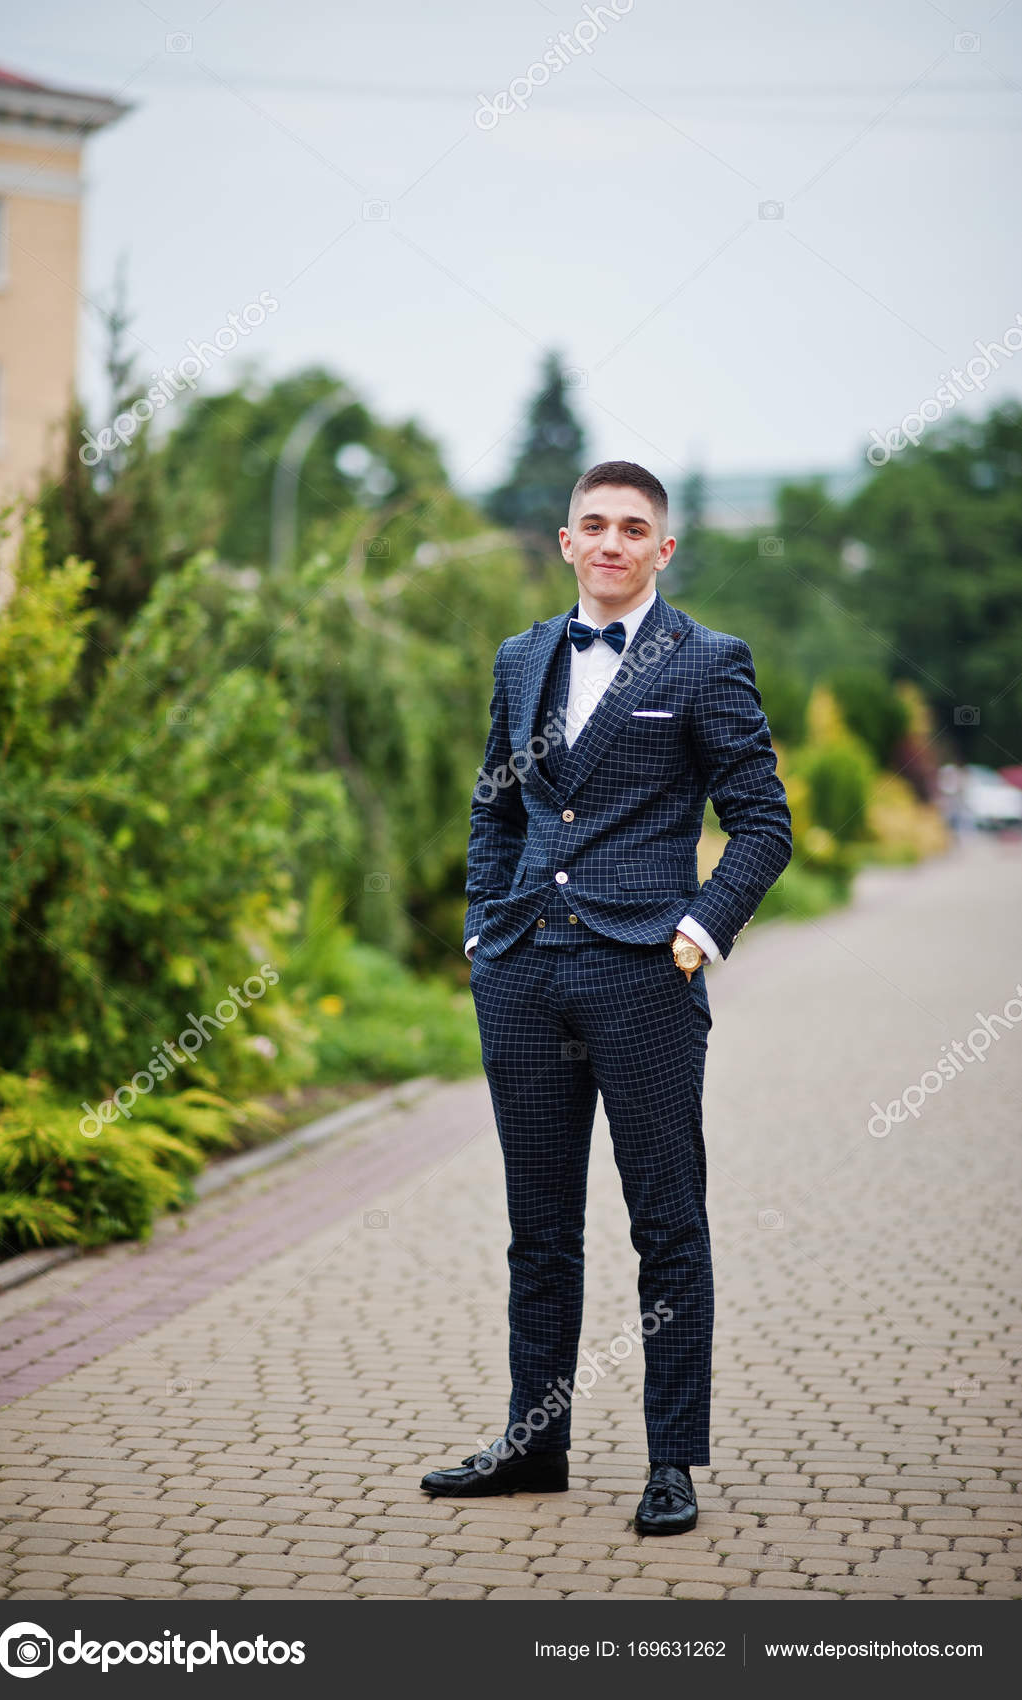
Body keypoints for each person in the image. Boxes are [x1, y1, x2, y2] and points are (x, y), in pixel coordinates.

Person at [420, 461, 792, 1535]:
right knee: (539, 1230)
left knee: (667, 1227)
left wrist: (698, 929)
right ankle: (534, 1445)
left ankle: (671, 1461)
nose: (614, 541)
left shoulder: (708, 660)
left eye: (636, 528)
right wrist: (483, 925)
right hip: (524, 970)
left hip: (644, 975)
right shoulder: (521, 655)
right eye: (596, 524)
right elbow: (495, 805)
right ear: (568, 540)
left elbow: (763, 825)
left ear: (663, 549)